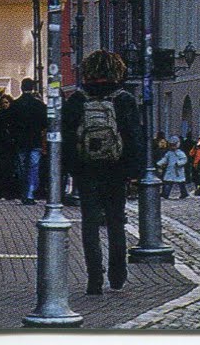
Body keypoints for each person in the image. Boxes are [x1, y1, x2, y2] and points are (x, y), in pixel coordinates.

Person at [62, 50, 143, 296]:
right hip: (116, 170)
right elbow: (133, 137)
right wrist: (133, 171)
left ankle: (94, 278)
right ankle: (118, 275)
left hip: (86, 170)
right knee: (116, 222)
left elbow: (66, 137)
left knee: (90, 224)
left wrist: (71, 169)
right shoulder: (124, 99)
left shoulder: (77, 99)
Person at [8, 78, 47, 205]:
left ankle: (23, 192)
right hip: (35, 140)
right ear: (32, 88)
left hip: (20, 141)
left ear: (21, 88)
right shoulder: (39, 105)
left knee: (22, 167)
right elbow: (44, 123)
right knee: (33, 168)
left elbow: (10, 124)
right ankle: (30, 194)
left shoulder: (15, 104)